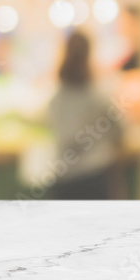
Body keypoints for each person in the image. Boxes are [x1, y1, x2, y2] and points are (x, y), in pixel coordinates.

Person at [47, 31, 124, 199]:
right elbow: (120, 131)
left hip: (64, 176)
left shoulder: (56, 100)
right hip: (95, 176)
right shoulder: (99, 97)